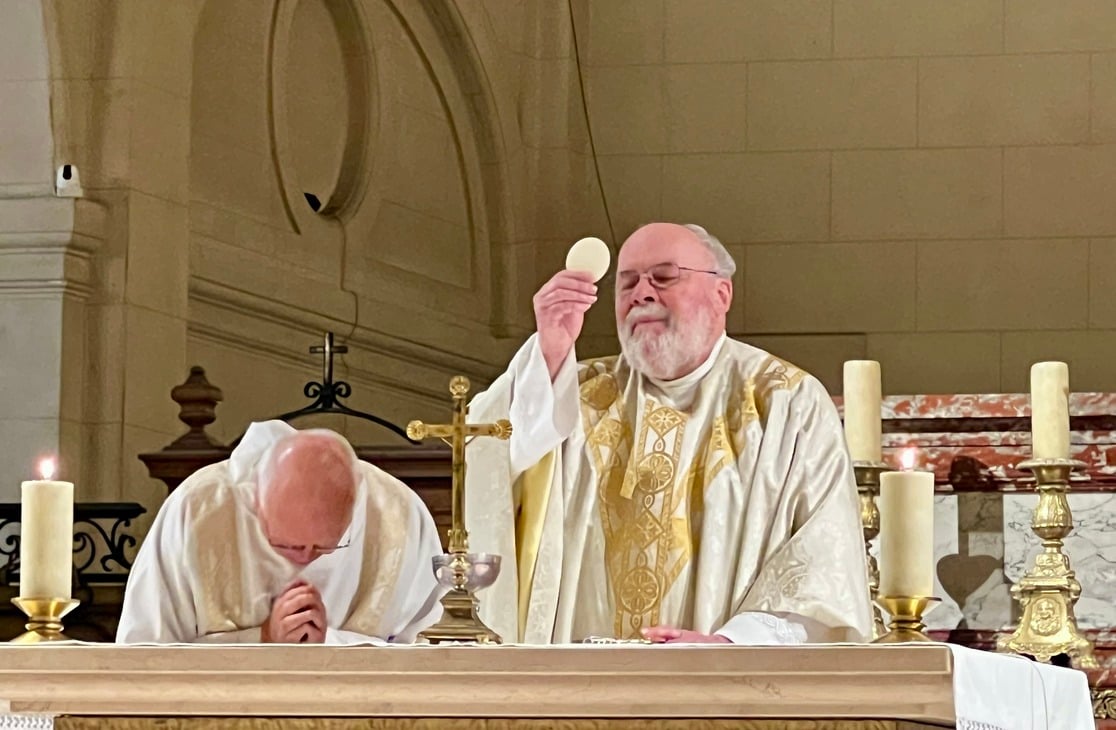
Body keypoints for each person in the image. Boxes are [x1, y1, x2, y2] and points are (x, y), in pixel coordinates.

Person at [464, 222, 872, 645]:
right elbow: (492, 459)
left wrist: (735, 645)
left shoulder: (785, 402)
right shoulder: (576, 394)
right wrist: (548, 353)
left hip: (723, 690)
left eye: (663, 277)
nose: (641, 293)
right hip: (582, 690)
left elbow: (823, 559)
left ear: (721, 295)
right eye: (626, 284)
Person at [117, 420, 444, 644]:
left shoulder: (397, 514)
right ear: (255, 501)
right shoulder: (198, 510)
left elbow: (433, 656)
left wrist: (329, 640)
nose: (304, 562)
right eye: (286, 545)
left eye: (324, 548)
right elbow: (144, 654)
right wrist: (261, 638)